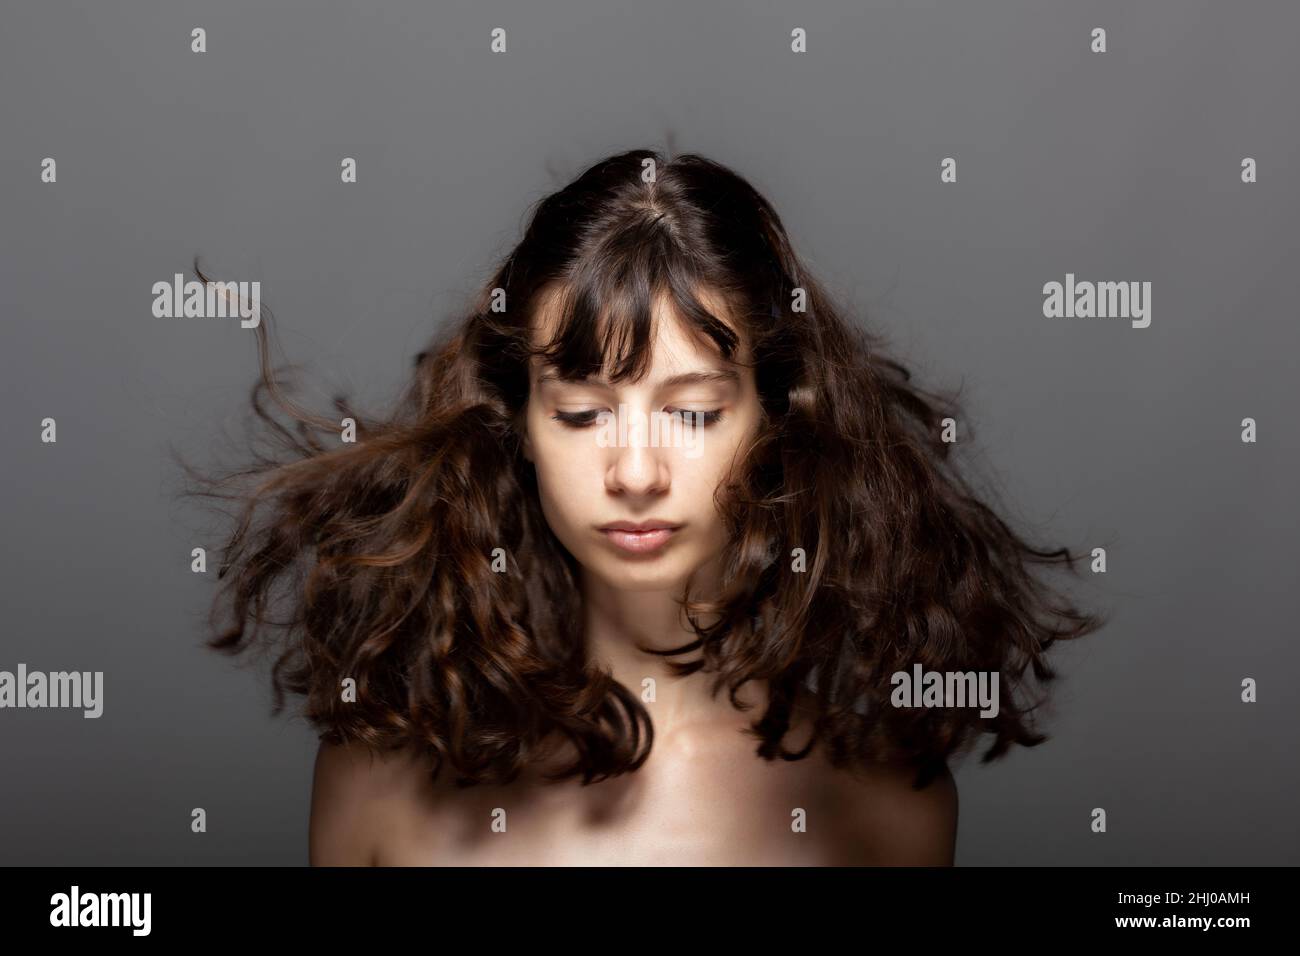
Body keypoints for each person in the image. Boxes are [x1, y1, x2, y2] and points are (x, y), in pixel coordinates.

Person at [185, 148, 1105, 866]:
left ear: (775, 421)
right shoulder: (377, 778)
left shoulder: (885, 800)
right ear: (519, 428)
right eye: (582, 413)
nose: (635, 470)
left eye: (694, 412)